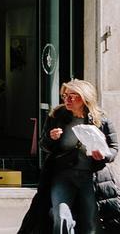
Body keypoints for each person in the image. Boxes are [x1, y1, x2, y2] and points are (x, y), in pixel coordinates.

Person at [18, 79, 119, 234]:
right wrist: (50, 138)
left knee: (91, 223)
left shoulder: (101, 119)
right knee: (61, 216)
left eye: (73, 95)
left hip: (90, 177)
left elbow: (113, 149)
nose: (67, 99)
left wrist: (104, 155)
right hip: (63, 176)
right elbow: (44, 146)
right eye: (65, 96)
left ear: (85, 97)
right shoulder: (57, 115)